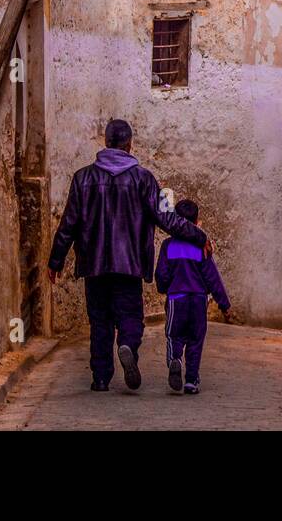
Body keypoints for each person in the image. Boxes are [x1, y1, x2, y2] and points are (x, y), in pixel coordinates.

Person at [47, 119, 207, 392]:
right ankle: (127, 346)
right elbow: (167, 218)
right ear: (129, 145)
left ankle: (100, 379)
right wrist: (198, 235)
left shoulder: (82, 178)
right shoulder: (144, 178)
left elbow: (69, 224)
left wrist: (55, 261)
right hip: (129, 264)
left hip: (94, 265)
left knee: (99, 322)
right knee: (131, 318)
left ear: (106, 143)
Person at [155, 199, 230, 395]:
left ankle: (175, 360)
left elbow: (161, 275)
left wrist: (164, 288)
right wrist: (224, 304)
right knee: (196, 340)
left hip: (176, 298)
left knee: (174, 335)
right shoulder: (201, 248)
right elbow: (212, 278)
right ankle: (191, 381)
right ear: (197, 223)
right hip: (198, 300)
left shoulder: (168, 246)